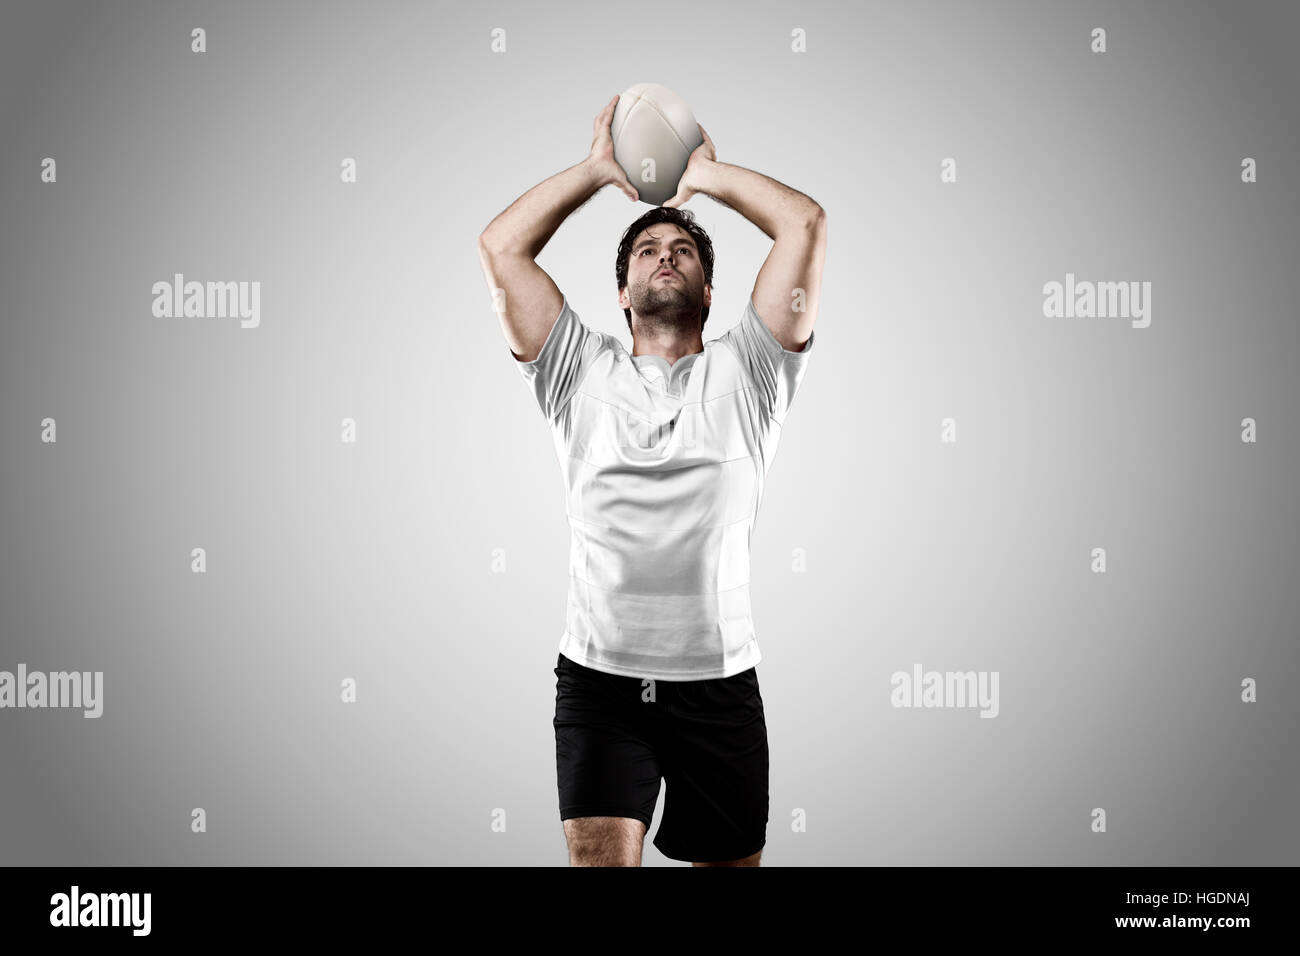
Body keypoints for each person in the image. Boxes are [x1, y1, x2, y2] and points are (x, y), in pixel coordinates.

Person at [477, 94, 826, 866]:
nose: (666, 253)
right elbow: (502, 248)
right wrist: (597, 171)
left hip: (719, 684)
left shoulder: (755, 370)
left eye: (685, 250)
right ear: (624, 296)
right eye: (646, 250)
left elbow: (803, 223)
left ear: (708, 292)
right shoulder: (576, 368)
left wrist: (703, 176)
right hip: (600, 682)